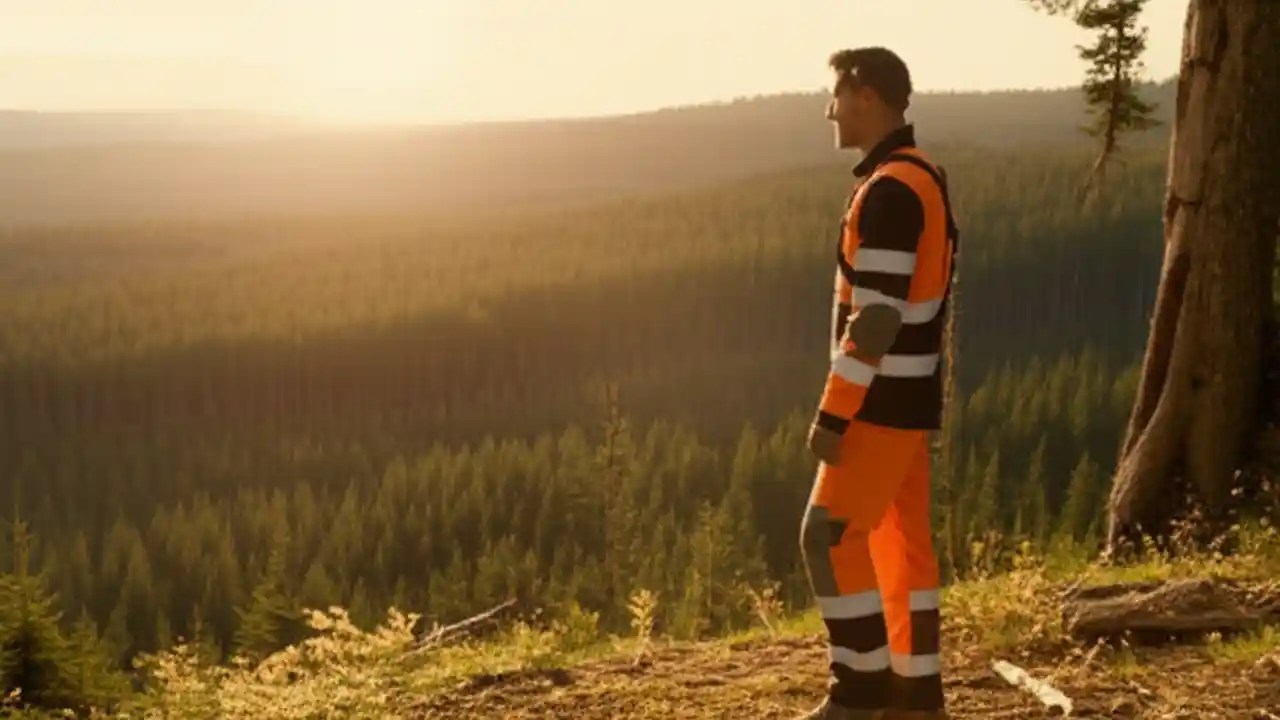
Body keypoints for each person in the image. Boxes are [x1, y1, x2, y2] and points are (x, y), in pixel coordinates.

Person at [797, 47, 958, 720]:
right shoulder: (922, 176)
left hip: (879, 405)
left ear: (865, 94)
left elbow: (878, 320)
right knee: (899, 548)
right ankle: (916, 695)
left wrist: (833, 414)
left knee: (827, 538)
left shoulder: (890, 190)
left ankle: (858, 694)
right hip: (909, 399)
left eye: (835, 94)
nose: (829, 109)